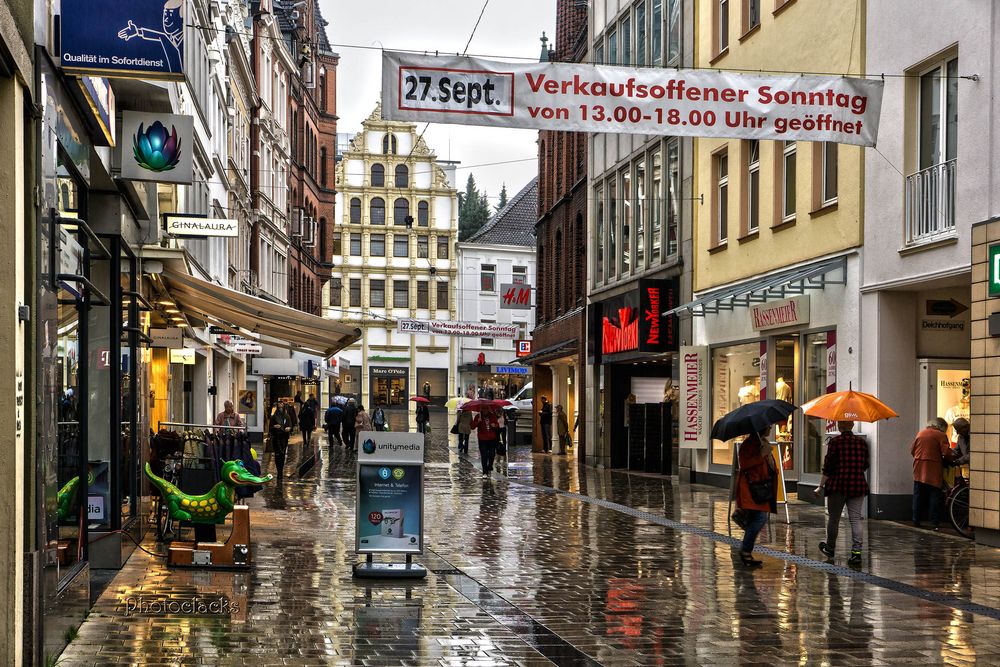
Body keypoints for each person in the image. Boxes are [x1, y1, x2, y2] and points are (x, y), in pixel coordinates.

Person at [815, 421, 868, 565]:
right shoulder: (861, 443)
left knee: (834, 519)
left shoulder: (835, 442)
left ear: (839, 427)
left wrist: (820, 486)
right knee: (856, 519)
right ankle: (856, 553)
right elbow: (865, 465)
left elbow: (828, 467)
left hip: (837, 486)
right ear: (851, 426)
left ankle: (830, 548)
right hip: (857, 485)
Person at [734, 427, 778, 567]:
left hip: (761, 488)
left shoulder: (763, 442)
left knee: (755, 518)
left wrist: (769, 458)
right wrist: (761, 454)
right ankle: (745, 550)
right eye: (769, 426)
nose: (771, 428)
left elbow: (769, 467)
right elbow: (745, 465)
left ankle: (746, 549)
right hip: (752, 488)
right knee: (760, 518)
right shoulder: (749, 444)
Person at [911, 417, 952, 529]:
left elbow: (912, 450)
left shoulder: (921, 433)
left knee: (918, 495)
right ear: (942, 427)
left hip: (918, 467)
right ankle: (935, 522)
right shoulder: (940, 435)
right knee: (934, 495)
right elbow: (947, 453)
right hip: (933, 467)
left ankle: (916, 520)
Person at [269, 403, 294, 478]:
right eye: (279, 407)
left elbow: (290, 425)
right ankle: (279, 471)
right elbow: (270, 428)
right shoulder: (274, 417)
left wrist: (289, 428)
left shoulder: (287, 416)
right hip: (276, 437)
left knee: (282, 454)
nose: (280, 409)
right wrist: (274, 426)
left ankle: (281, 470)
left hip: (284, 437)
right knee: (277, 454)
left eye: (281, 407)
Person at [472, 408, 499, 475]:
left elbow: (497, 425)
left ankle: (490, 465)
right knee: (484, 455)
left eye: (486, 408)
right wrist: (477, 421)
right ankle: (485, 472)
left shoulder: (492, 416)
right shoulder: (478, 416)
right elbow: (472, 426)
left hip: (492, 438)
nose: (485, 410)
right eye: (484, 408)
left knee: (492, 454)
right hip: (482, 439)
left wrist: (494, 425)